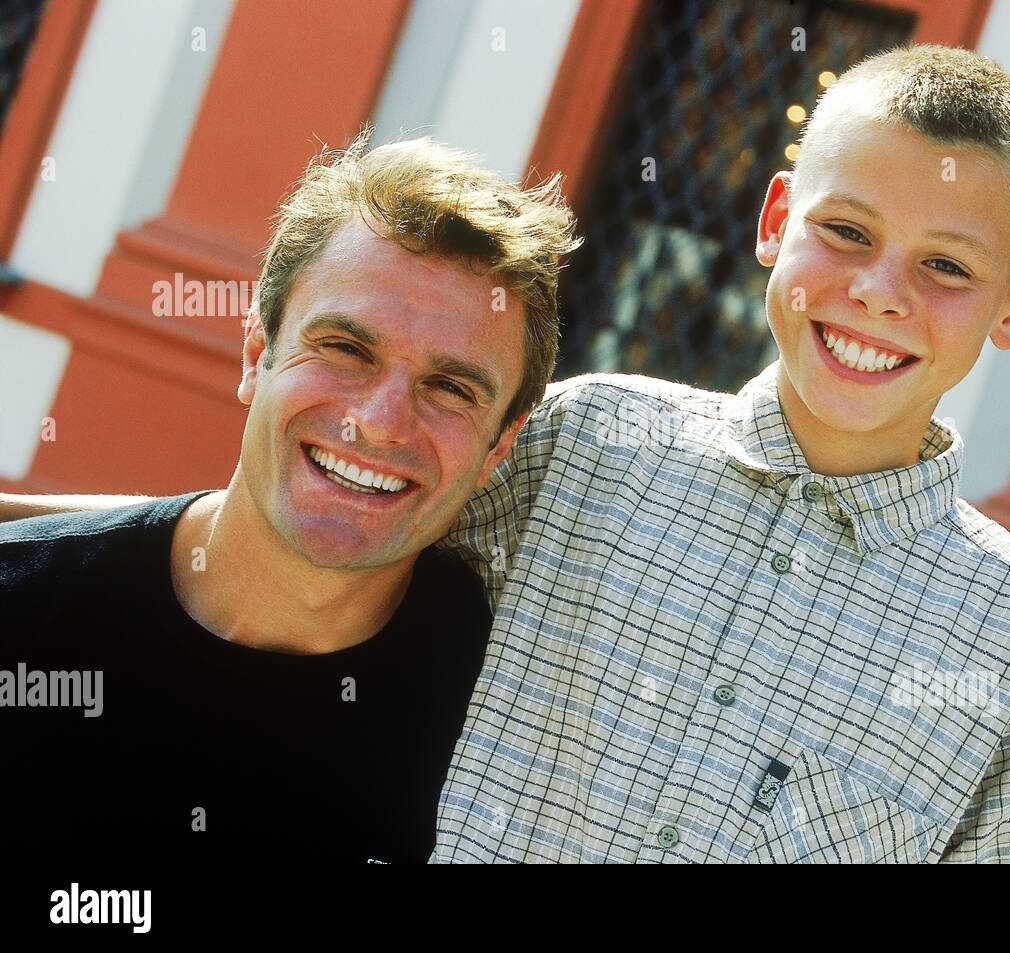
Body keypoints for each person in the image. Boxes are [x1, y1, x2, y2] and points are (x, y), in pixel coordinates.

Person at [3, 45, 1010, 864]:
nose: (879, 291)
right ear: (776, 217)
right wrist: (43, 535)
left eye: (946, 267)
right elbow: (331, 524)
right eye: (848, 231)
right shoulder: (591, 442)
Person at [0, 134, 579, 862]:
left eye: (451, 388)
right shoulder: (20, 604)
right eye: (345, 347)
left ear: (500, 445)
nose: (378, 420)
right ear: (256, 352)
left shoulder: (509, 727)